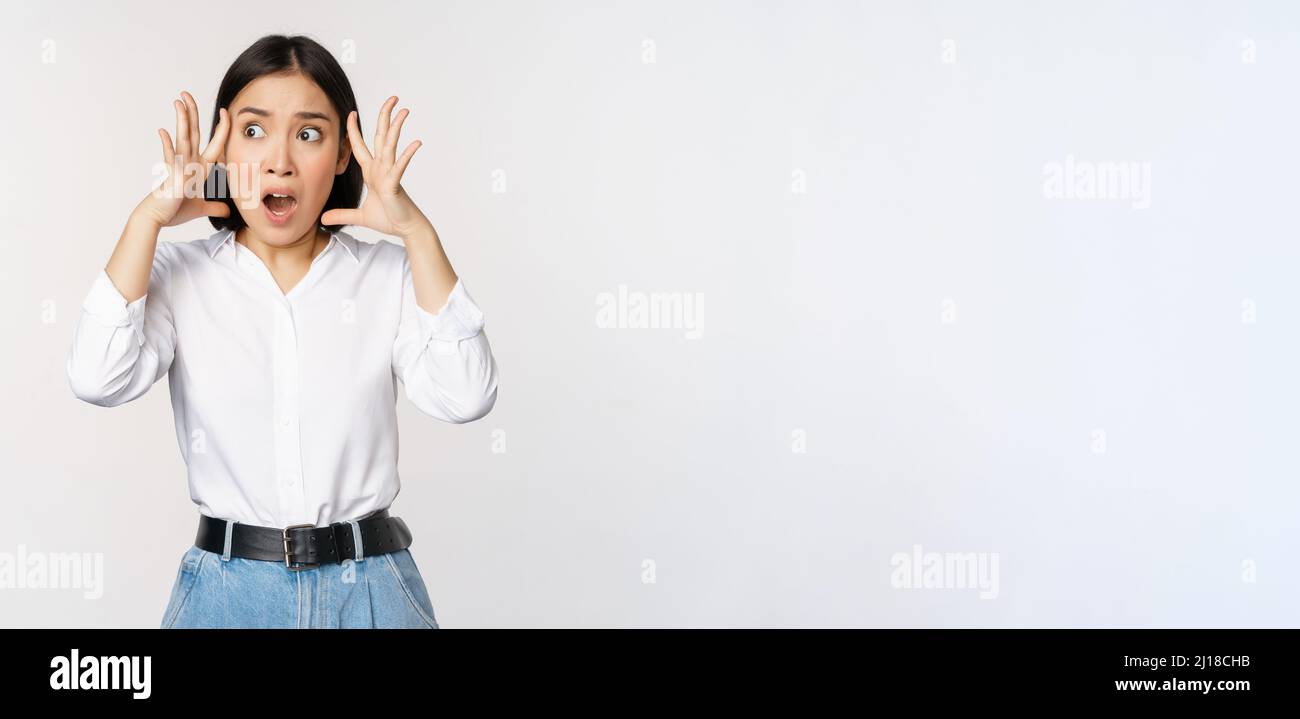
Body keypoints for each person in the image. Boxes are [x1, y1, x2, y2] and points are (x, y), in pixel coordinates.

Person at [65, 34, 499, 628]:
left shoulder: (387, 275)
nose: (279, 161)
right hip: (226, 594)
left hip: (369, 589)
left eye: (308, 133)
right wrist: (149, 217)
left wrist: (419, 235)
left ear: (343, 155)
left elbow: (467, 395)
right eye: (253, 131)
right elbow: (96, 378)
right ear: (221, 152)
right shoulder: (180, 273)